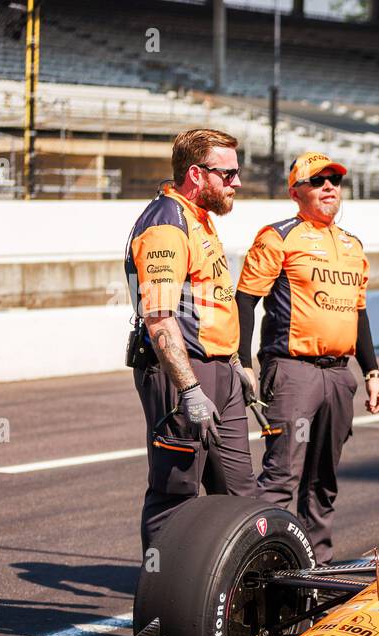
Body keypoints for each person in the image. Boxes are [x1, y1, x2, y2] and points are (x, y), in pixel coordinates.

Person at [234, 152, 379, 564]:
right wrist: (243, 362)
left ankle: (316, 566)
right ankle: (264, 565)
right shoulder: (278, 236)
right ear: (295, 191)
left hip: (339, 375)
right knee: (282, 474)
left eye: (334, 181)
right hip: (292, 371)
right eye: (318, 181)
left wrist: (371, 372)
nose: (329, 188)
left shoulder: (353, 245)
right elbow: (245, 300)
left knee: (324, 481)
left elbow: (359, 312)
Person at [126, 127, 254, 556]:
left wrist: (235, 363)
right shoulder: (166, 223)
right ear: (197, 175)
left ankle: (235, 595)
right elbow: (160, 318)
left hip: (219, 369)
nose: (237, 182)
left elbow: (209, 305)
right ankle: (163, 610)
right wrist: (190, 389)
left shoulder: (200, 219)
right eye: (228, 173)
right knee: (174, 495)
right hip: (181, 374)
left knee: (239, 494)